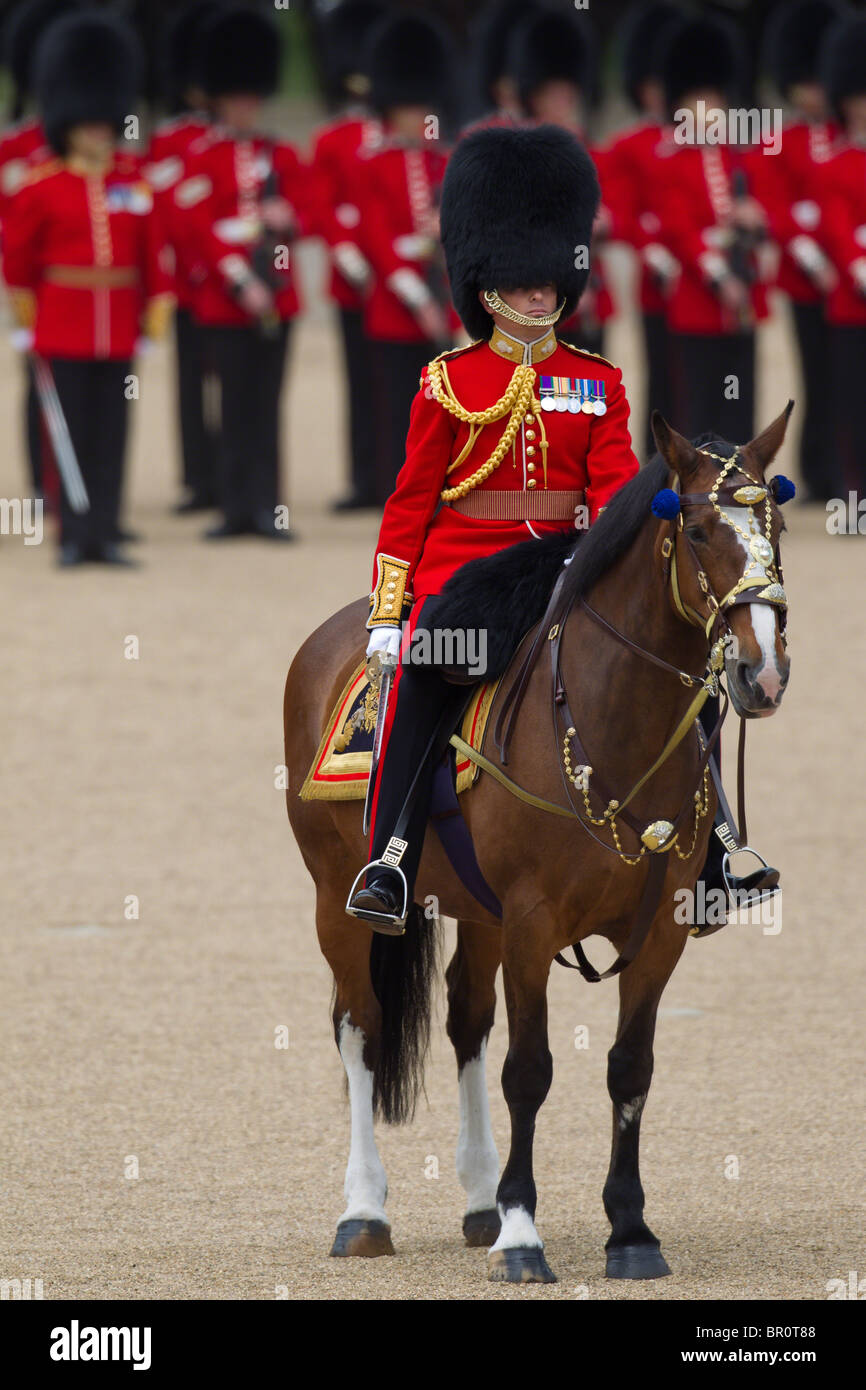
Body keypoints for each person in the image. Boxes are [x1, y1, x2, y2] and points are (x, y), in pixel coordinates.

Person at [347, 123, 640, 932]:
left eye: (551, 281)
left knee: (683, 669)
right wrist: (387, 612)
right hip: (463, 578)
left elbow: (614, 495)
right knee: (422, 681)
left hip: (562, 570)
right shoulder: (447, 382)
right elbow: (410, 504)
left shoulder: (597, 382)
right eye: (524, 281)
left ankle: (717, 845)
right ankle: (391, 859)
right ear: (487, 286)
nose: (542, 293)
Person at [3, 9, 173, 567]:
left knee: (112, 431)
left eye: (105, 122)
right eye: (89, 123)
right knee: (68, 436)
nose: (99, 131)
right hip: (63, 321)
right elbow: (19, 263)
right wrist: (27, 324)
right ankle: (74, 534)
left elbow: (153, 259)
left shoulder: (133, 183)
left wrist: (151, 322)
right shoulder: (40, 187)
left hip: (118, 322)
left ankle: (105, 526)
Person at [173, 5, 317, 541]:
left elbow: (314, 214)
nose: (245, 108)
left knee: (267, 404)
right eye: (237, 99)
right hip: (226, 300)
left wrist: (291, 219)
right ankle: (234, 508)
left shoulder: (281, 152)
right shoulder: (202, 156)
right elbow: (197, 226)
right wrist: (239, 279)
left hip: (277, 297)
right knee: (234, 405)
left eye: (251, 98)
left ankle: (266, 508)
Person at [652, 13, 774, 443]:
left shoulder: (742, 159)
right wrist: (719, 275)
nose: (707, 112)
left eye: (714, 102)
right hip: (698, 299)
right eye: (697, 103)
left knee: (740, 399)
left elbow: (770, 215)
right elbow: (677, 230)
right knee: (699, 402)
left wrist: (757, 221)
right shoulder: (670, 162)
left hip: (742, 297)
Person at [354, 10, 457, 505]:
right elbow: (377, 243)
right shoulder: (374, 164)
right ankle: (395, 494)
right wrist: (417, 297)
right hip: (397, 307)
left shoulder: (445, 161)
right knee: (396, 405)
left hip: (443, 299)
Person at [761, 0, 841, 502]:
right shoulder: (781, 140)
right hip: (806, 278)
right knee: (816, 372)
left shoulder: (843, 138)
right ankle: (818, 467)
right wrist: (813, 255)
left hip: (848, 276)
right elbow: (777, 206)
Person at [309, 0, 385, 512]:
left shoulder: (394, 138)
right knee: (361, 381)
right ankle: (365, 477)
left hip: (398, 280)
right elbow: (323, 208)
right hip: (354, 280)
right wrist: (351, 259)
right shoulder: (333, 140)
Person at [144, 0, 217, 515]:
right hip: (193, 284)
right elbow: (166, 210)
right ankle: (198, 477)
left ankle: (230, 477)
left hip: (227, 282)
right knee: (191, 382)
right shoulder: (172, 139)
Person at [507, 5, 613, 360]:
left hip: (590, 294)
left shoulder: (589, 148)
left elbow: (622, 216)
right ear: (534, 97)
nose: (564, 102)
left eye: (568, 94)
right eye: (554, 94)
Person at [602, 0, 681, 458]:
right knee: (662, 369)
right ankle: (660, 459)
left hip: (699, 274)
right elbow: (624, 214)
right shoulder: (628, 146)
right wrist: (654, 253)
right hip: (656, 279)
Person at [0, 0, 67, 498]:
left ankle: (85, 491)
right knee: (38, 382)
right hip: (33, 284)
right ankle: (43, 485)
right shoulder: (15, 148)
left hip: (78, 285)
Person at [815, 12, 866, 507]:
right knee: (851, 403)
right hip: (852, 305)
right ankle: (855, 494)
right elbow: (835, 226)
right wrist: (858, 266)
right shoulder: (834, 166)